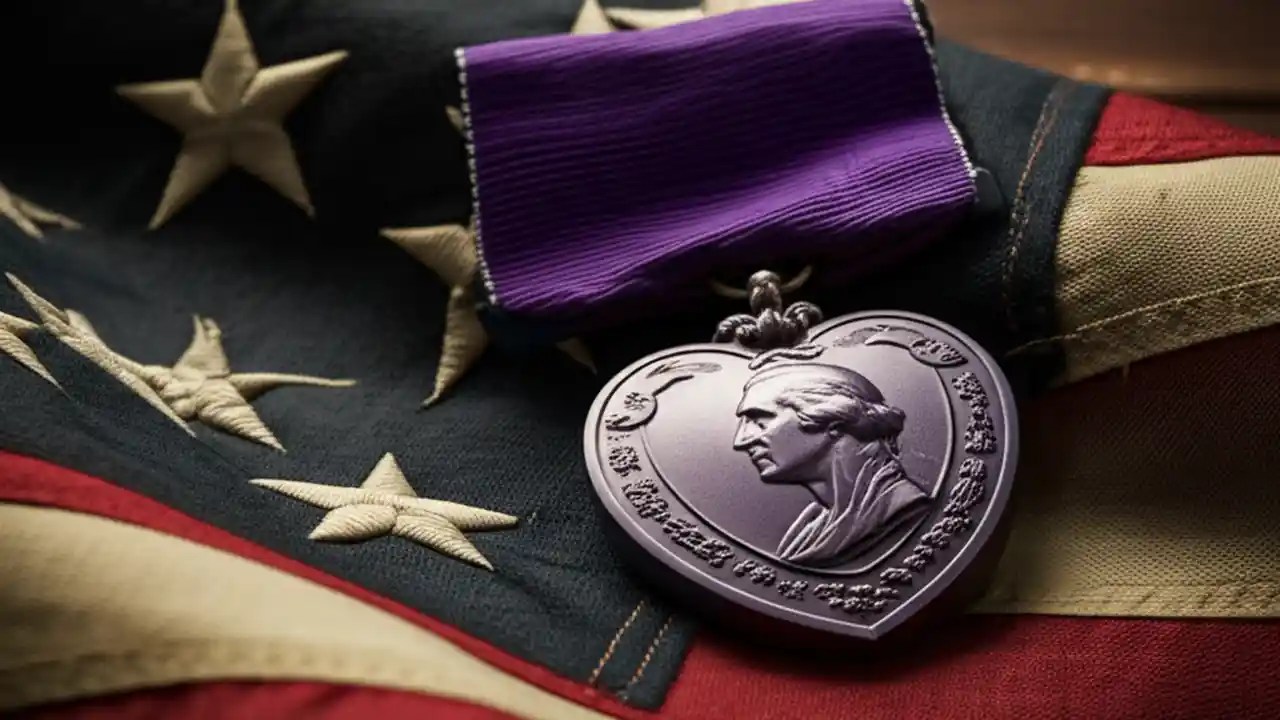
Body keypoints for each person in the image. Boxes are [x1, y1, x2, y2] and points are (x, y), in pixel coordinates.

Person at [732, 360, 930, 567]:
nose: (741, 441)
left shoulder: (900, 506)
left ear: (834, 420)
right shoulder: (810, 529)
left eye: (760, 421)